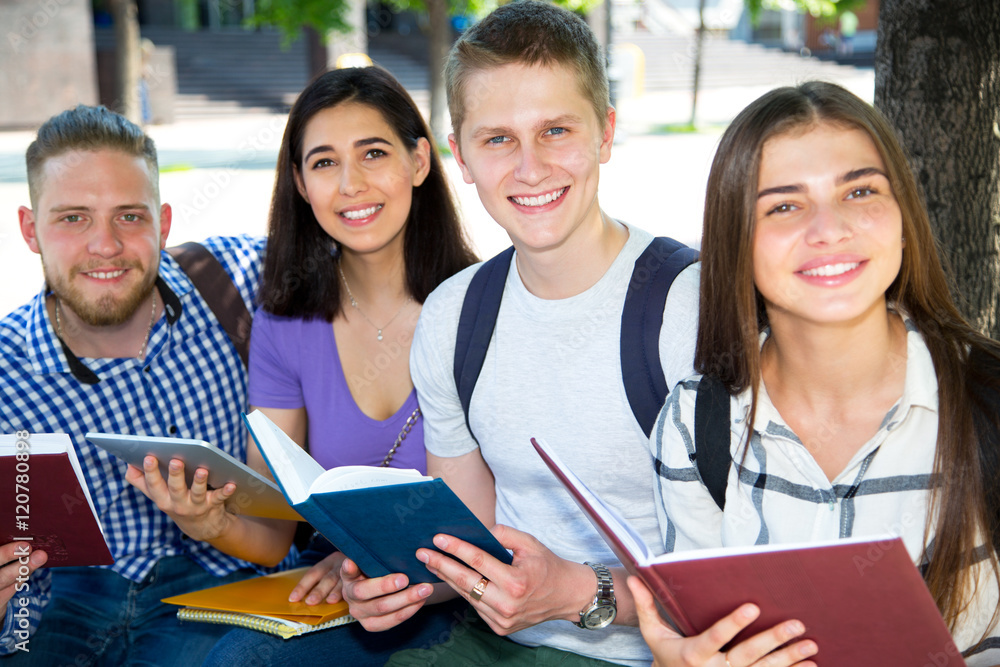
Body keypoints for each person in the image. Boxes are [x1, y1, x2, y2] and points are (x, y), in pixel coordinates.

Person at [334, 3, 813, 665]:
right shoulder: (453, 316)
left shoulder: (691, 305)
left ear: (606, 133)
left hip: (661, 651)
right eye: (497, 138)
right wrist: (398, 582)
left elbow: (752, 566)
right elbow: (470, 545)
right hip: (498, 641)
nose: (529, 167)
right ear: (461, 156)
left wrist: (574, 590)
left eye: (556, 130)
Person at [639, 81, 1000, 665]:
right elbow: (691, 640)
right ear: (737, 241)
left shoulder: (988, 398)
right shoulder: (693, 424)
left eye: (859, 191)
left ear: (904, 217)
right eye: (784, 205)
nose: (829, 229)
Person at [127, 66, 478, 666]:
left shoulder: (485, 305)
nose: (351, 184)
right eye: (323, 163)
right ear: (300, 182)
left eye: (373, 153)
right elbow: (272, 533)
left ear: (419, 161)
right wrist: (204, 521)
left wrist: (371, 562)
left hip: (478, 598)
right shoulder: (284, 321)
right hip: (346, 596)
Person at [0, 105, 273, 664]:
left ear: (163, 222)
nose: (105, 245)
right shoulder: (6, 371)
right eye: (73, 218)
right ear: (30, 230)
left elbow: (374, 275)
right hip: (62, 609)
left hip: (225, 592)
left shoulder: (235, 281)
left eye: (129, 216)